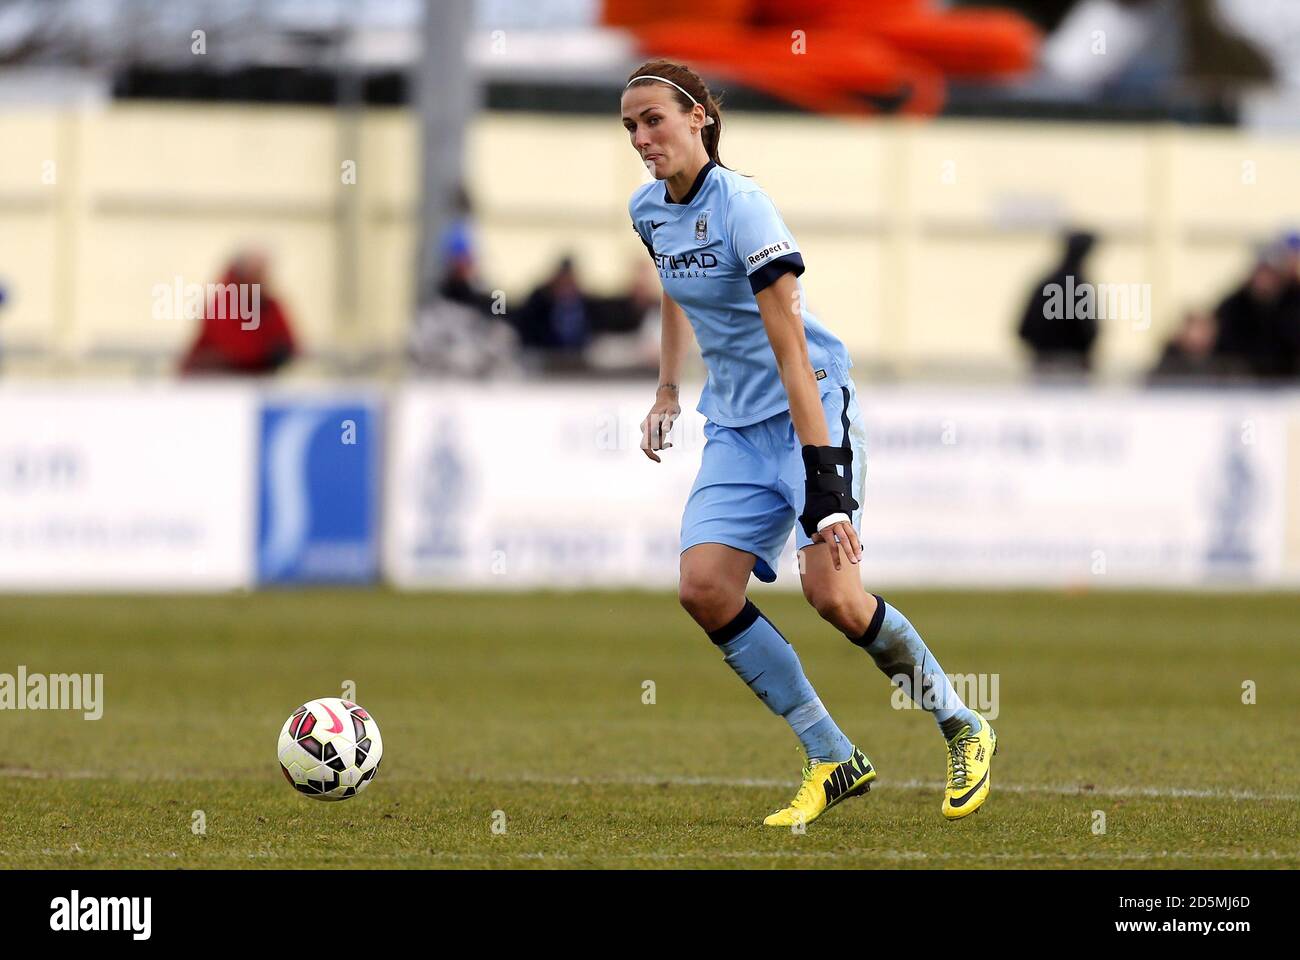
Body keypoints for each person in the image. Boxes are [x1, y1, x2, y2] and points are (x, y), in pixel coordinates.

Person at [623, 59, 995, 827]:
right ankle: (831, 755)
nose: (640, 137)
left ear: (700, 117)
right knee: (704, 589)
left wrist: (824, 482)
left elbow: (790, 346)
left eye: (653, 118)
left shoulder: (746, 207)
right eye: (629, 125)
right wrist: (667, 389)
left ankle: (962, 723)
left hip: (809, 406)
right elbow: (674, 286)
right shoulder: (648, 210)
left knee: (834, 597)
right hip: (732, 422)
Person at [179, 250, 297, 376]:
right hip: (209, 383)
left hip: (250, 382)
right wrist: (267, 352)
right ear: (242, 275)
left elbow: (288, 343)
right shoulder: (222, 303)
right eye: (256, 273)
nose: (262, 279)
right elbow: (237, 350)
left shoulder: (266, 303)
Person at [1016, 229, 1099, 375]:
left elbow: (1024, 329)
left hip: (1045, 365)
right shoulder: (1075, 287)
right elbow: (1088, 331)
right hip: (1069, 368)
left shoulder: (1047, 284)